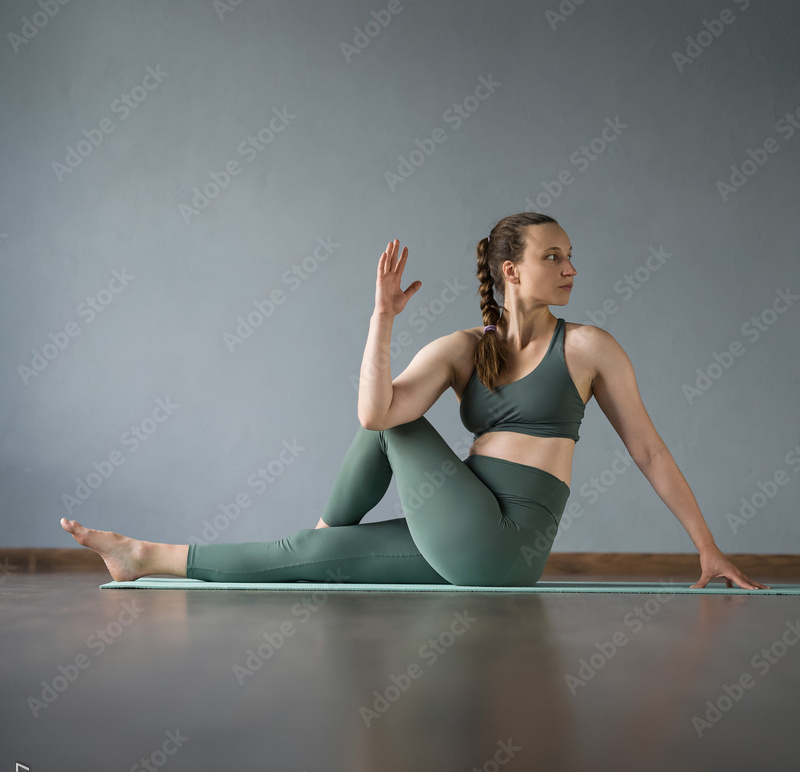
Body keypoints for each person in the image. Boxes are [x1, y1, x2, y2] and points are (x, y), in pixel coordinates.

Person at [60, 212, 769, 589]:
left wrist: (706, 548)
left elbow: (648, 449)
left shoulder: (587, 348)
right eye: (553, 257)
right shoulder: (463, 348)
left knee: (389, 426)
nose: (570, 268)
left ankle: (325, 529)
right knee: (306, 553)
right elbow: (374, 413)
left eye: (570, 255)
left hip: (506, 538)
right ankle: (141, 556)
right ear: (511, 270)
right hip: (463, 530)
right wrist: (383, 319)